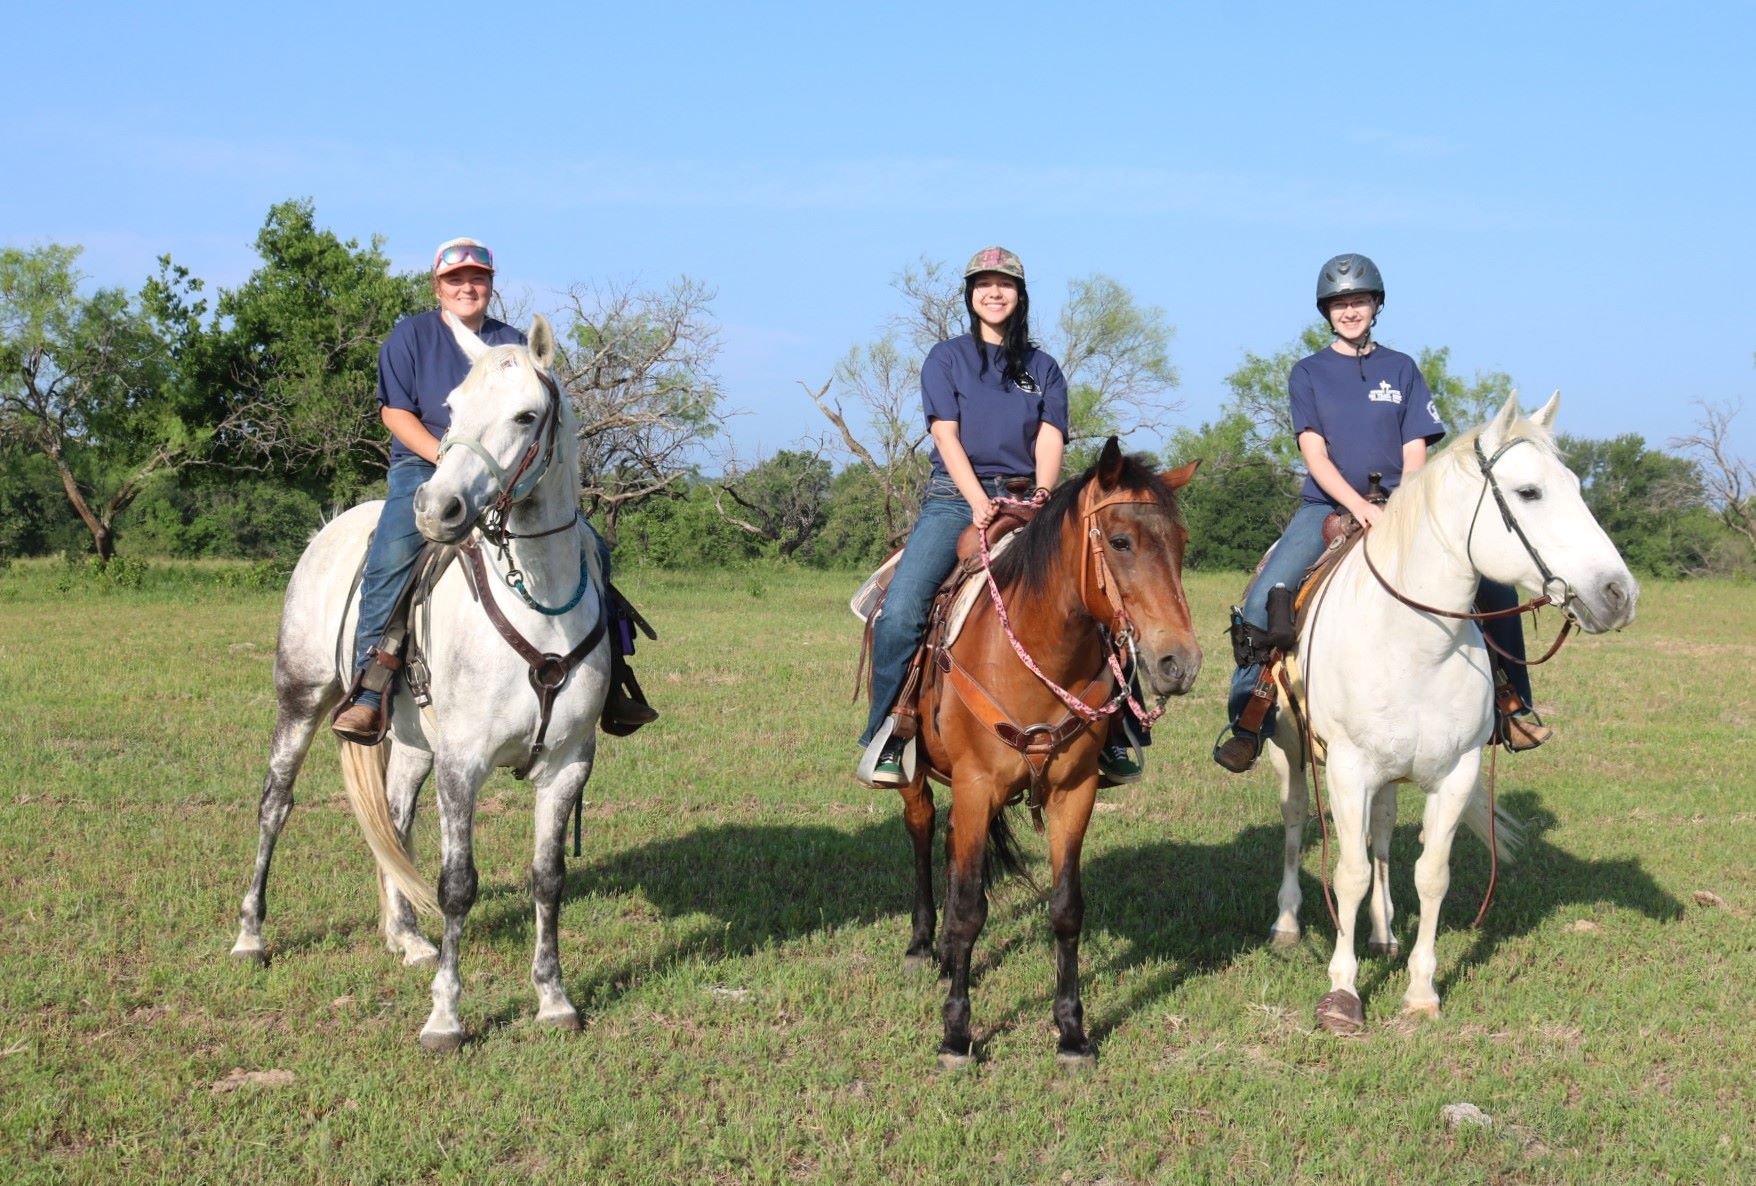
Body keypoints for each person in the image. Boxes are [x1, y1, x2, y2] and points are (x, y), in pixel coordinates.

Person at [1211, 252, 1550, 774]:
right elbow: (1314, 455)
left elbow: (1415, 451)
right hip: (1327, 507)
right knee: (1265, 598)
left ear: (1376, 305)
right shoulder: (1308, 373)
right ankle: (1248, 720)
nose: (1350, 311)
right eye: (1340, 304)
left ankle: (1513, 706)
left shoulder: (1402, 369)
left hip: (1403, 506)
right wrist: (1357, 507)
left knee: (1494, 588)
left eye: (1359, 301)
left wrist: (1403, 506)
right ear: (1327, 312)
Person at [332, 238, 657, 743]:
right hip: (425, 465)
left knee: (591, 548)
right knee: (392, 553)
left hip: (501, 473)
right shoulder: (411, 336)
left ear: (490, 285)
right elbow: (394, 413)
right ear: (437, 287)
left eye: (477, 279)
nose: (467, 288)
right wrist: (447, 460)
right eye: (455, 280)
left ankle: (612, 681)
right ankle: (370, 687)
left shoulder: (514, 344)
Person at [860, 245, 1088, 786]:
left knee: (1101, 595)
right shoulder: (947, 358)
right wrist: (978, 501)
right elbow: (945, 433)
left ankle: (1118, 732)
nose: (994, 292)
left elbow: (1051, 435)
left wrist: (1043, 494)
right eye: (983, 284)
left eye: (1004, 284)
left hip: (1029, 497)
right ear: (969, 296)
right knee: (901, 611)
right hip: (955, 498)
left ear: (1020, 295)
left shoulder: (1043, 367)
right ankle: (889, 732)